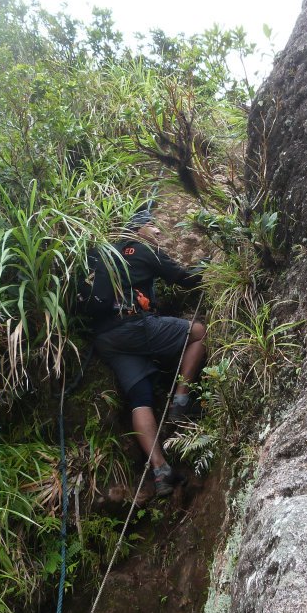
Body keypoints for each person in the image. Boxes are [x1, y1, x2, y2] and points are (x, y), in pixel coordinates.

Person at [86, 206, 207, 498]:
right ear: (136, 229)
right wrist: (207, 266)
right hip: (133, 326)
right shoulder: (141, 249)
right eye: (152, 225)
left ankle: (160, 470)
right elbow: (184, 278)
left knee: (140, 397)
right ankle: (180, 400)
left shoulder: (104, 255)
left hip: (105, 338)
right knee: (199, 333)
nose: (157, 230)